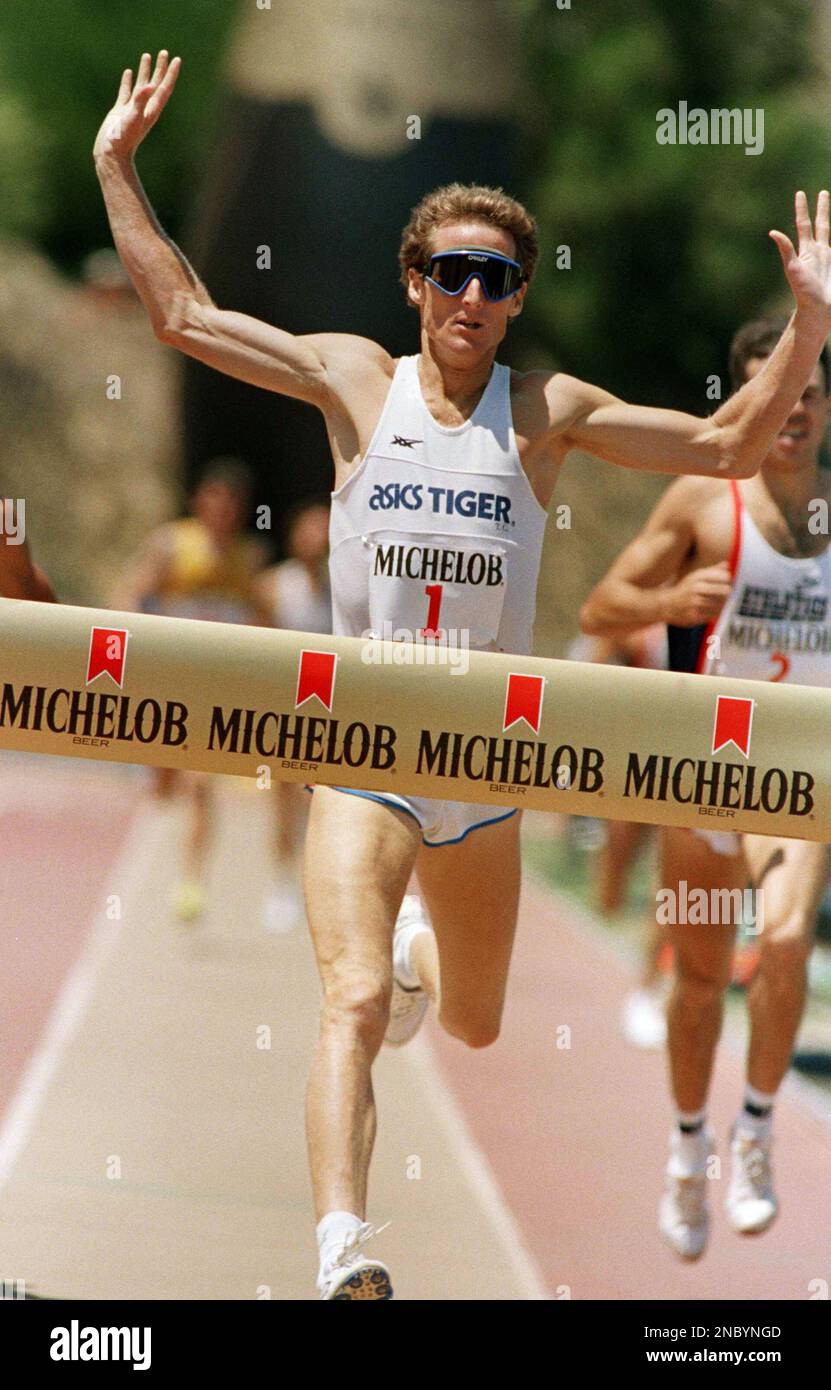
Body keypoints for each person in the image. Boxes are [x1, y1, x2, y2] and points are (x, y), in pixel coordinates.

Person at [94, 51, 831, 1299]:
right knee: (353, 998)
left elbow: (721, 440)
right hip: (366, 751)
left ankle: (434, 956)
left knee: (472, 1019)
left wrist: (811, 320)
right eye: (453, 273)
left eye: (497, 279)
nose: (473, 296)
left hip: (486, 766)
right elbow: (184, 317)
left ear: (518, 297)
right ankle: (343, 1253)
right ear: (415, 282)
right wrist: (117, 165)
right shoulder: (354, 380)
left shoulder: (545, 411)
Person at [580, 315, 831, 1260]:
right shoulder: (699, 504)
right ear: (745, 402)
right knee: (694, 984)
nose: (794, 410)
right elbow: (597, 607)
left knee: (786, 937)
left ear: (827, 405)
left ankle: (755, 1128)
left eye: (808, 391)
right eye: (776, 390)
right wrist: (663, 604)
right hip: (705, 775)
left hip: (802, 777)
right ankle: (690, 1149)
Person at [114, 458, 268, 922]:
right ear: (200, 501)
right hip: (162, 683)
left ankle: (190, 880)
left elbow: (267, 619)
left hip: (212, 692)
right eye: (215, 499)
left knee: (200, 785)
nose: (223, 510)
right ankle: (143, 861)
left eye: (232, 503)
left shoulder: (248, 557)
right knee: (163, 787)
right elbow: (129, 596)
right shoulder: (172, 544)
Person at [254, 498, 332, 933]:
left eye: (325, 531)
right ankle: (282, 882)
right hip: (286, 709)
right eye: (310, 530)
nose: (317, 539)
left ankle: (316, 886)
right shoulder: (272, 586)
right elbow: (259, 648)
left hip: (331, 710)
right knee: (285, 802)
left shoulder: (345, 586)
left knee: (323, 804)